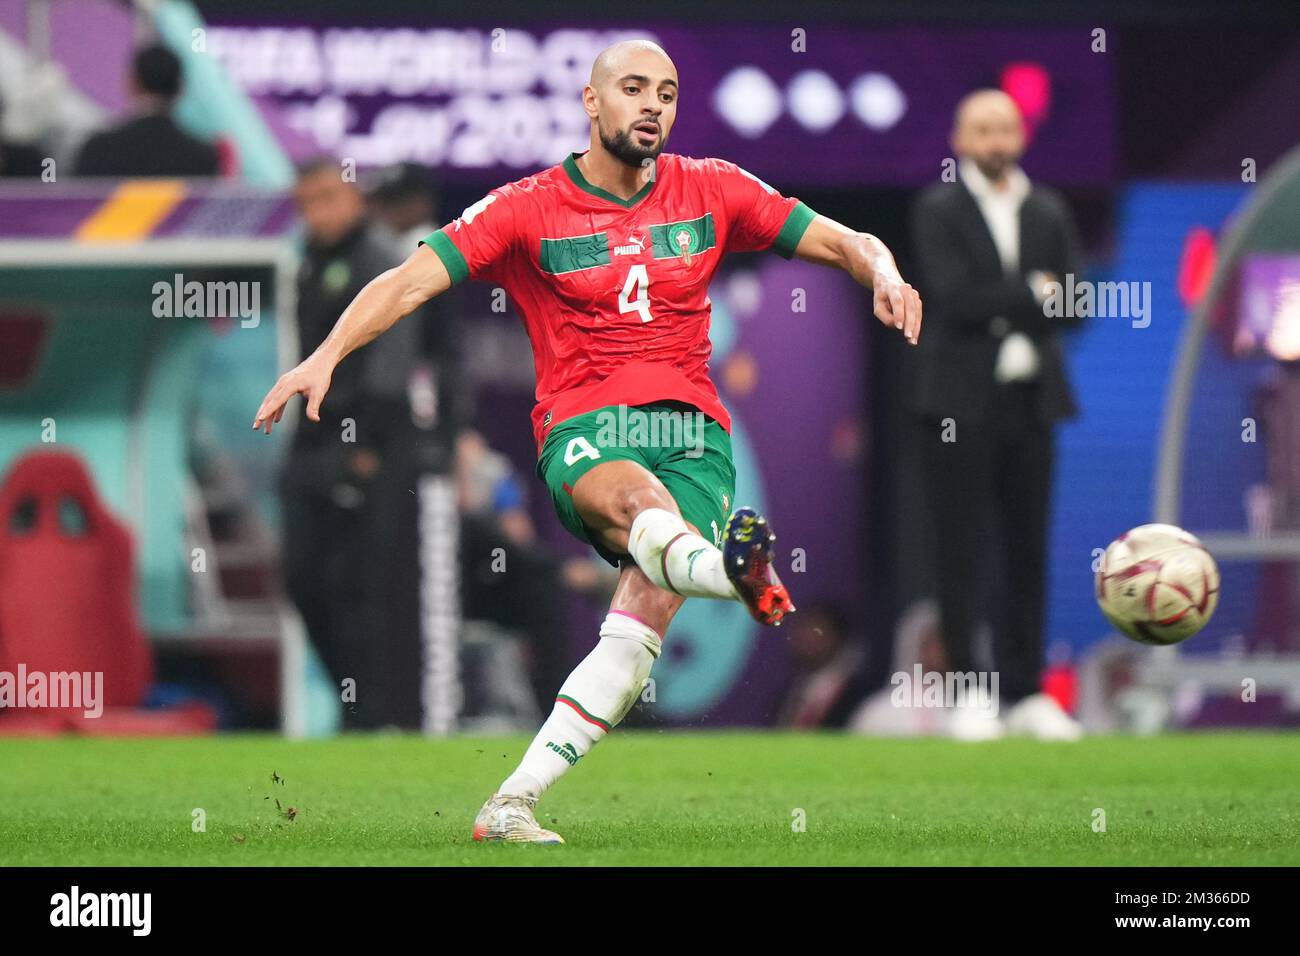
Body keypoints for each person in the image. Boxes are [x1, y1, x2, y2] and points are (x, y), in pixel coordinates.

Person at [253, 40, 921, 843]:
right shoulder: (526, 206)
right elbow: (405, 281)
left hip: (694, 437)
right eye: (633, 88)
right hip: (588, 427)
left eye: (666, 93)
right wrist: (325, 356)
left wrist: (882, 272)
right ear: (591, 101)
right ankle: (730, 571)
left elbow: (848, 241)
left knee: (636, 632)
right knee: (641, 505)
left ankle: (511, 802)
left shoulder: (713, 189)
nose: (652, 106)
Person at [910, 90, 1085, 741]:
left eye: (1005, 128)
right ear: (960, 138)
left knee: (1027, 551)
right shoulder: (938, 208)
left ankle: (1028, 692)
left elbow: (1076, 304)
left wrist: (1024, 301)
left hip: (1031, 402)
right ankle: (967, 693)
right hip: (957, 405)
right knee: (959, 552)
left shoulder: (1048, 209)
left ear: (1022, 136)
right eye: (982, 129)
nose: (995, 141)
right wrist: (1033, 294)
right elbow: (951, 298)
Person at [280, 157, 424, 730]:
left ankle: (375, 715)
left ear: (354, 198)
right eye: (306, 203)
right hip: (311, 440)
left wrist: (366, 446)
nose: (316, 214)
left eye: (326, 199)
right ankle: (355, 702)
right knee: (303, 577)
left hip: (367, 443)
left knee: (363, 586)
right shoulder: (309, 264)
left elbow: (392, 364)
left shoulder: (382, 263)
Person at [74, 44, 219, 178]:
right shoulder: (204, 158)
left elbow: (72, 204)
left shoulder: (98, 150)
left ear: (133, 83)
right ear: (180, 89)